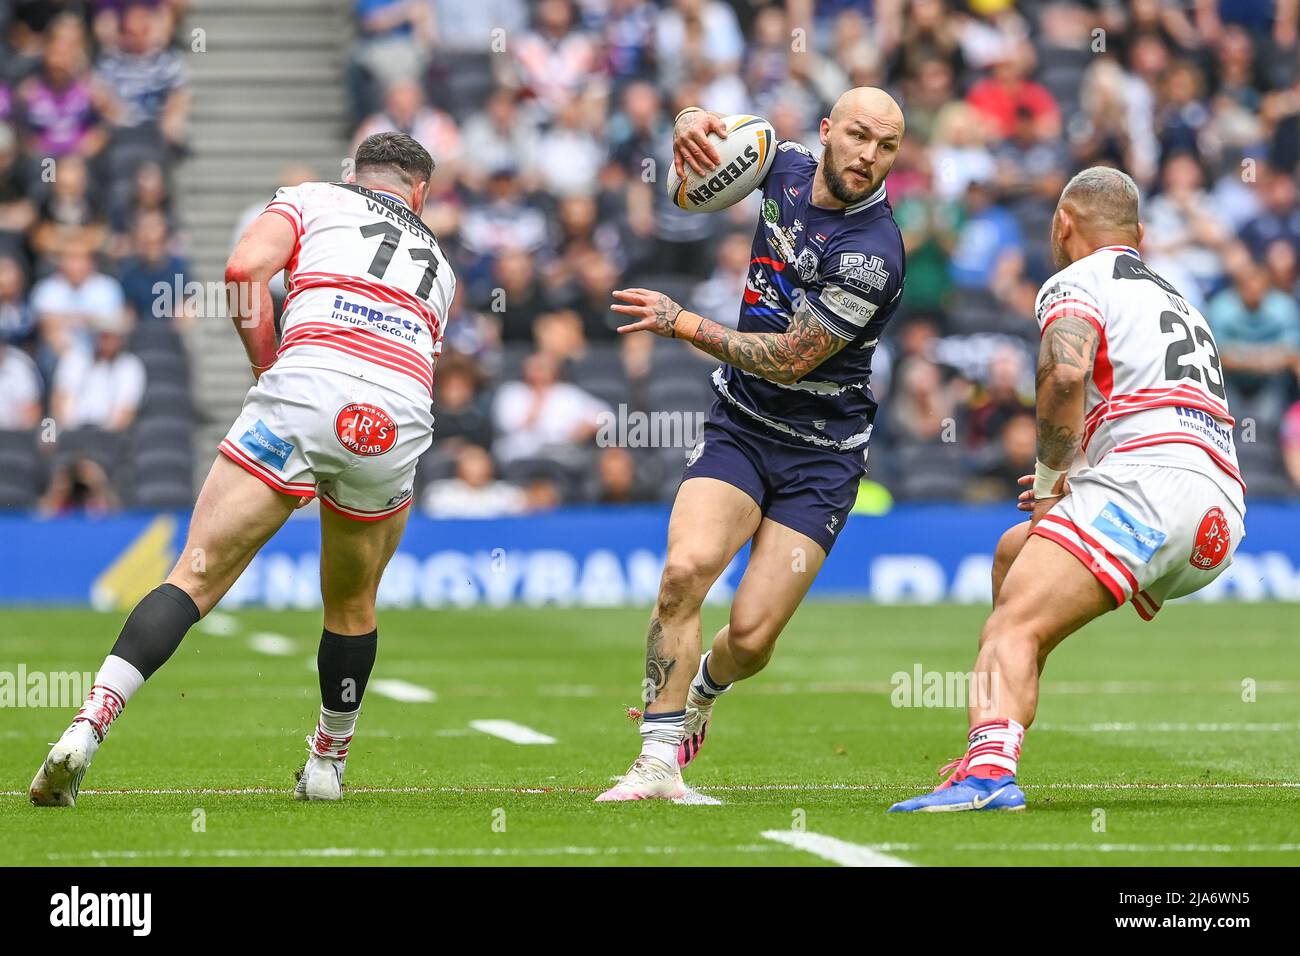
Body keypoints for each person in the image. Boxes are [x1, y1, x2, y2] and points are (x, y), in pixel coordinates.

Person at [30, 132, 455, 806]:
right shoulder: (440, 261)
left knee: (193, 575)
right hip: (395, 412)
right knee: (352, 603)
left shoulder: (311, 198)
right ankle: (326, 764)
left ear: (354, 175)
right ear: (421, 195)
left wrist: (265, 366)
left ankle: (86, 729)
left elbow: (241, 272)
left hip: (304, 385)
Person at [890, 167, 1245, 813]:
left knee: (1015, 625)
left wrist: (1055, 484)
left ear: (1063, 224)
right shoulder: (1179, 296)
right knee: (1013, 556)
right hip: (1218, 513)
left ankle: (990, 775)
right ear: (1137, 235)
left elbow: (1063, 374)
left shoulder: (1076, 279)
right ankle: (990, 741)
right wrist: (1085, 464)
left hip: (1149, 485)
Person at [596, 87, 907, 801]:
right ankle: (655, 761)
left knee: (753, 638)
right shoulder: (785, 163)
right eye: (858, 136)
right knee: (684, 571)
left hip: (822, 454)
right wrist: (687, 125)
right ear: (827, 131)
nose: (868, 156)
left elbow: (791, 357)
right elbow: (709, 130)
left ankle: (705, 688)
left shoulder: (873, 254)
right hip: (742, 428)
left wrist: (683, 324)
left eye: (886, 146)